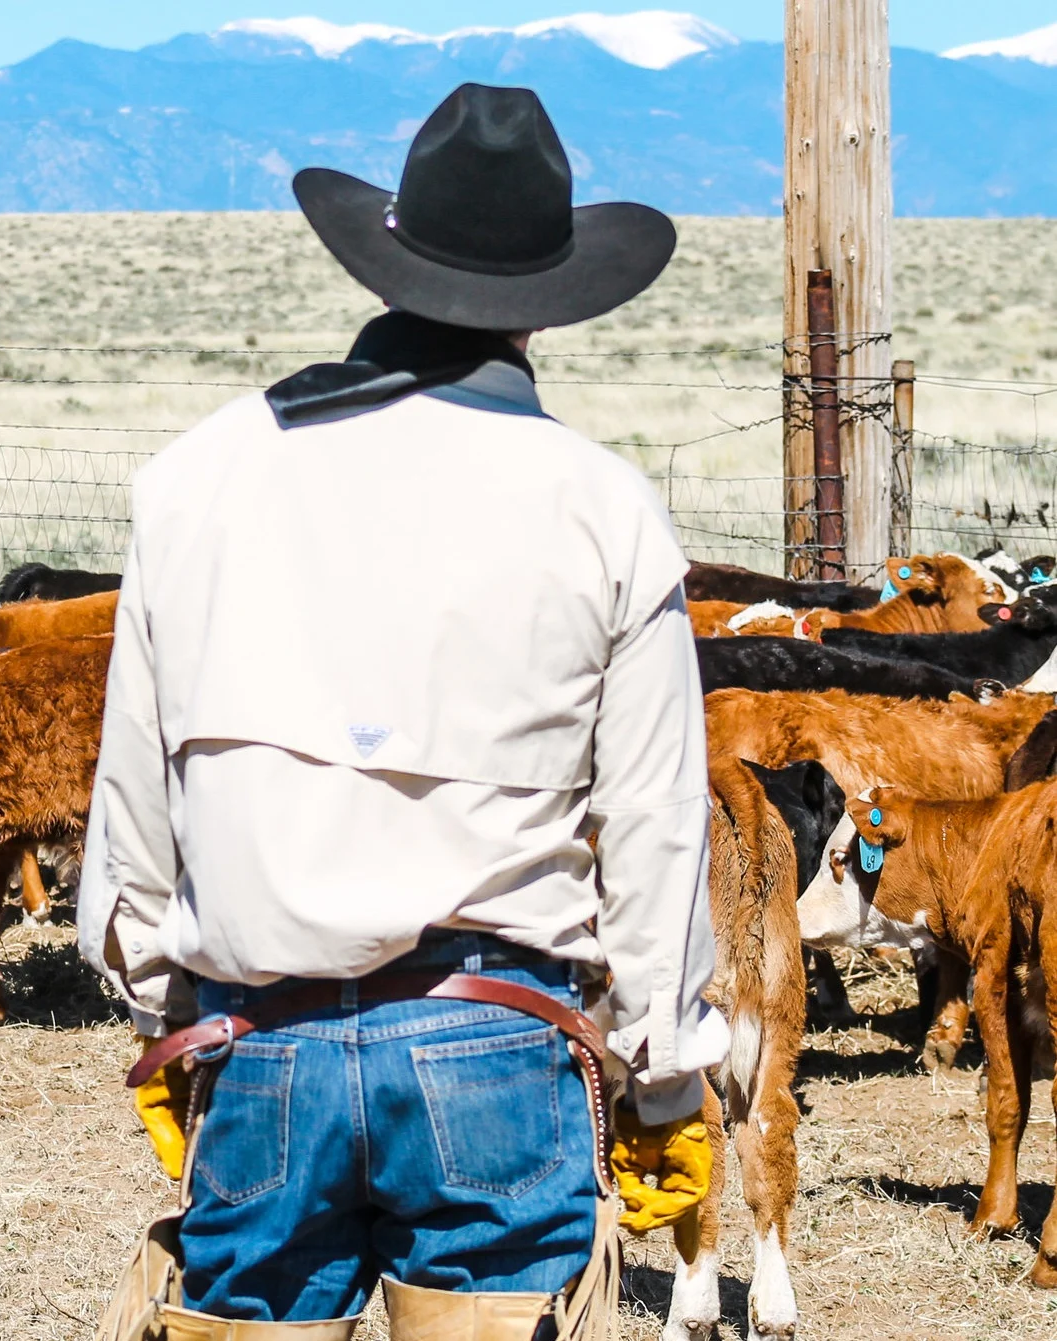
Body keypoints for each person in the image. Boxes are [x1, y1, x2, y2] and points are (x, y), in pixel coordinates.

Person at [80, 84, 726, 1339]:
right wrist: (662, 1076)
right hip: (491, 1043)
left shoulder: (195, 480)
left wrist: (161, 996)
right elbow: (653, 824)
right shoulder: (600, 510)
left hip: (255, 1039)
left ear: (385, 255)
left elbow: (133, 795)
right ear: (548, 304)